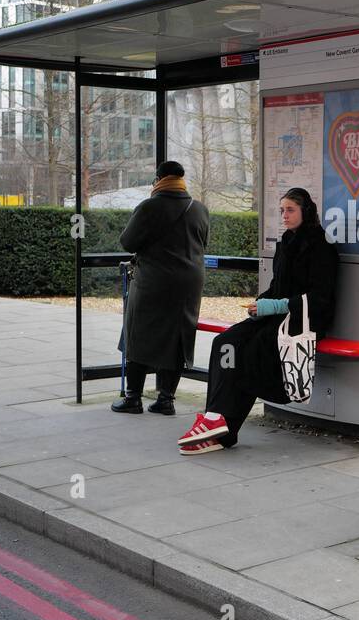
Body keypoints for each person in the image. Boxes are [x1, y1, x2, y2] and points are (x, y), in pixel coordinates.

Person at [178, 187, 338, 454]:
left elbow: (321, 299)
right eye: (282, 210)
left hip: (304, 320)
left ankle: (224, 428)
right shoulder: (285, 242)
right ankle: (215, 417)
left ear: (305, 211)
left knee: (250, 353)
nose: (284, 216)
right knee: (225, 342)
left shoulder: (322, 246)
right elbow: (277, 286)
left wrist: (276, 305)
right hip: (276, 316)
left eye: (290, 210)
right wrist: (260, 303)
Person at [112, 160, 210, 416]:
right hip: (188, 284)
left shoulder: (149, 207)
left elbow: (127, 242)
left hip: (153, 282)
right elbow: (204, 242)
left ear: (158, 179)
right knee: (178, 338)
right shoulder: (198, 208)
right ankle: (166, 400)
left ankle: (133, 398)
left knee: (138, 333)